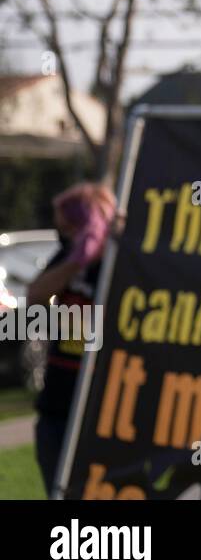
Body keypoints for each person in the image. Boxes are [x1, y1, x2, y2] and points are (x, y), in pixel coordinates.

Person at [28, 182, 116, 497]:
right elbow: (36, 296)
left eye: (66, 226)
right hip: (57, 406)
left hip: (104, 410)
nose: (60, 233)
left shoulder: (118, 264)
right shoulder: (69, 258)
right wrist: (80, 256)